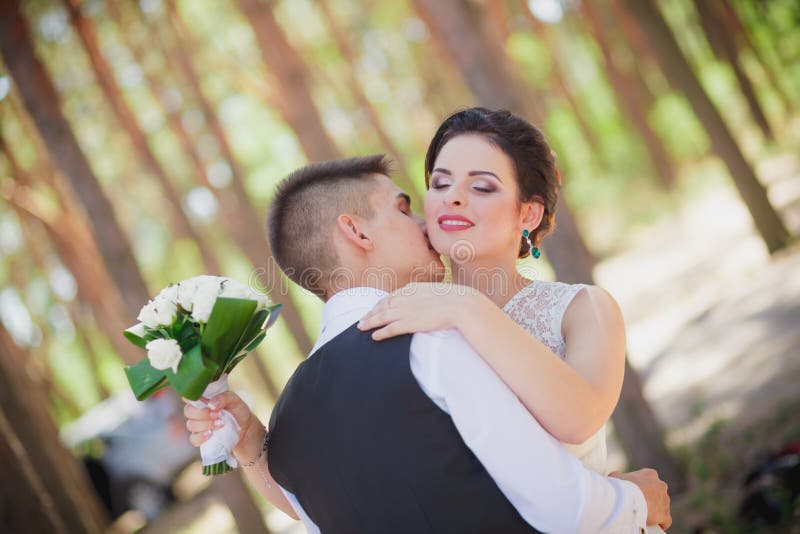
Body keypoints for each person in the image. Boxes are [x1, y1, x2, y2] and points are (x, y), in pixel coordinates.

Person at [184, 155, 670, 532]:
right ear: (356, 231)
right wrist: (638, 500)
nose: (424, 224)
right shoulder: (432, 340)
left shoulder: (287, 419)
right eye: (403, 208)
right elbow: (564, 508)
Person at [358, 108, 669, 532]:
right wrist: (262, 446)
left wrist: (465, 307)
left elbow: (579, 418)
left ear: (528, 215)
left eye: (482, 187)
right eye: (440, 183)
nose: (452, 197)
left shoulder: (582, 309)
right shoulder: (409, 320)